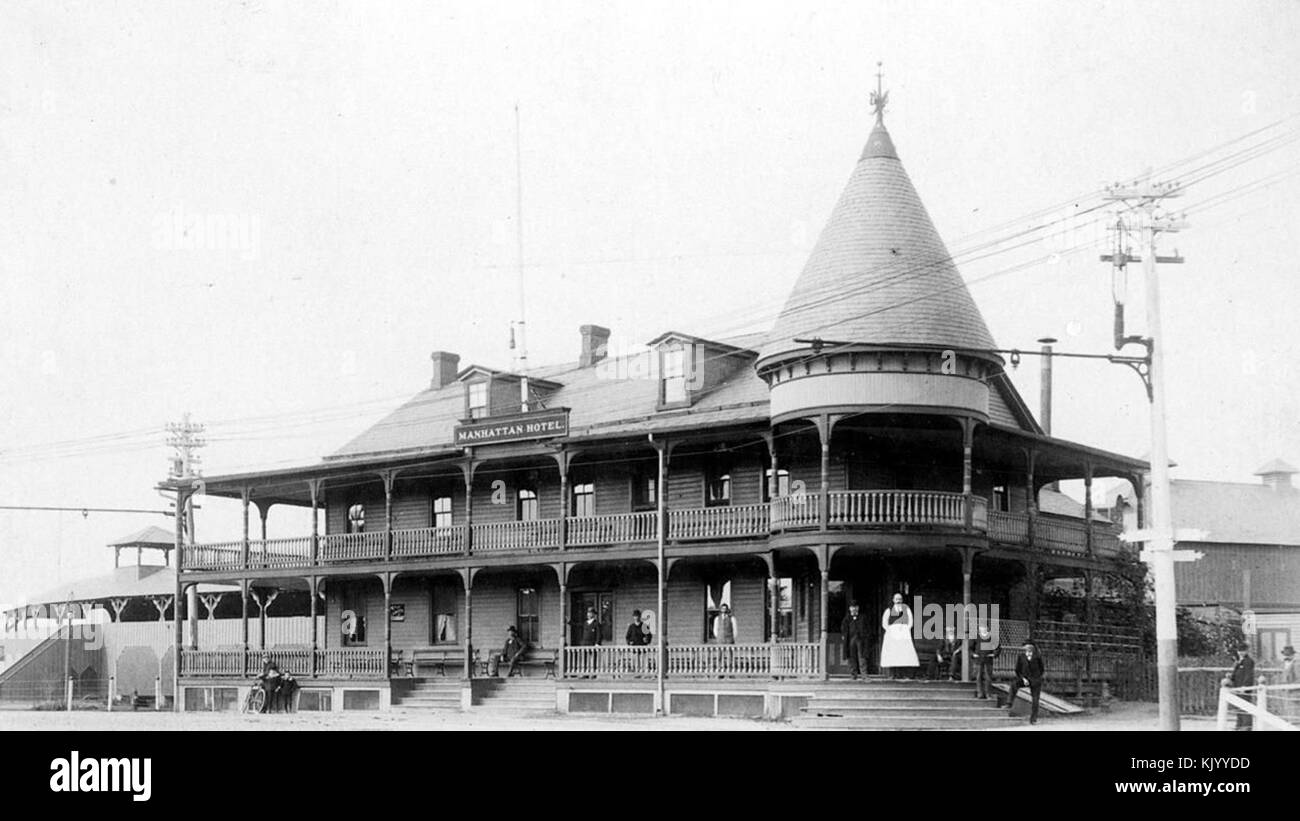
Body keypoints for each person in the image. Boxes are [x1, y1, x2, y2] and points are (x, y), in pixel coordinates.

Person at [880, 593, 919, 678]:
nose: (898, 601)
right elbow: (884, 623)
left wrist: (906, 629)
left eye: (900, 599)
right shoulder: (888, 610)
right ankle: (893, 675)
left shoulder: (906, 609)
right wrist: (890, 631)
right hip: (892, 635)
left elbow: (911, 621)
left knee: (904, 654)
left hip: (904, 634)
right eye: (896, 599)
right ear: (893, 600)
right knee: (893, 654)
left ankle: (904, 674)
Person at [1007, 642, 1045, 724]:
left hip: (1035, 680)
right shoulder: (1021, 657)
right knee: (1014, 684)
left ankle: (1033, 718)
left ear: (1033, 652)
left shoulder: (1037, 658)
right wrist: (1023, 679)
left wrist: (1036, 678)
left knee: (1035, 699)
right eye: (1027, 652)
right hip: (1024, 679)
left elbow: (1042, 669)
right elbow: (1017, 670)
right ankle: (1009, 703)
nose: (1028, 654)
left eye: (1030, 652)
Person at [1228, 643, 1256, 730]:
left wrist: (1245, 686)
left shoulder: (1249, 661)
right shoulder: (1238, 661)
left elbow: (1249, 675)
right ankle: (1239, 725)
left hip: (1244, 688)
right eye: (1239, 651)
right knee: (1238, 707)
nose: (1241, 653)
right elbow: (1235, 674)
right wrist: (1230, 677)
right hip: (1237, 687)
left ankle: (1247, 726)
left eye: (1243, 651)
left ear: (1247, 651)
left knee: (1245, 707)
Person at [840, 602, 870, 679]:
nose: (854, 609)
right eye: (852, 607)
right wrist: (844, 637)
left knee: (862, 657)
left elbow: (867, 628)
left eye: (855, 607)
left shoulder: (863, 617)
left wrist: (865, 637)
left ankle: (864, 675)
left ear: (858, 608)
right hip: (850, 639)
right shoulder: (846, 619)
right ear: (850, 609)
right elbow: (843, 629)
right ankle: (853, 674)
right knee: (851, 657)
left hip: (861, 640)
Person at [971, 624, 1001, 699]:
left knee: (988, 677)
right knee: (978, 677)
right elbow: (970, 648)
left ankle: (988, 694)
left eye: (984, 627)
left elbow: (998, 647)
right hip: (979, 660)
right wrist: (973, 654)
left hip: (988, 660)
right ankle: (980, 693)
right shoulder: (976, 637)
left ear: (987, 628)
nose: (982, 629)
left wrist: (994, 654)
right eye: (981, 627)